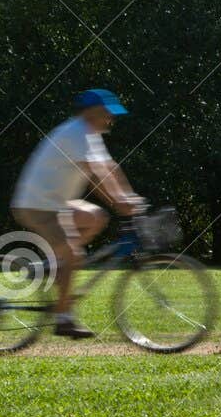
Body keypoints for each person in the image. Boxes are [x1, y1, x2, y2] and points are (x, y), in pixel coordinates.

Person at [10, 89, 144, 338]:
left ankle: (52, 265)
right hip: (37, 205)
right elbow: (93, 174)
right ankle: (63, 319)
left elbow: (109, 169)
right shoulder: (75, 133)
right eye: (107, 113)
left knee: (96, 217)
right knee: (74, 254)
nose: (111, 119)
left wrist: (128, 196)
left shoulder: (91, 135)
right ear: (92, 112)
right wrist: (119, 202)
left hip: (54, 204)